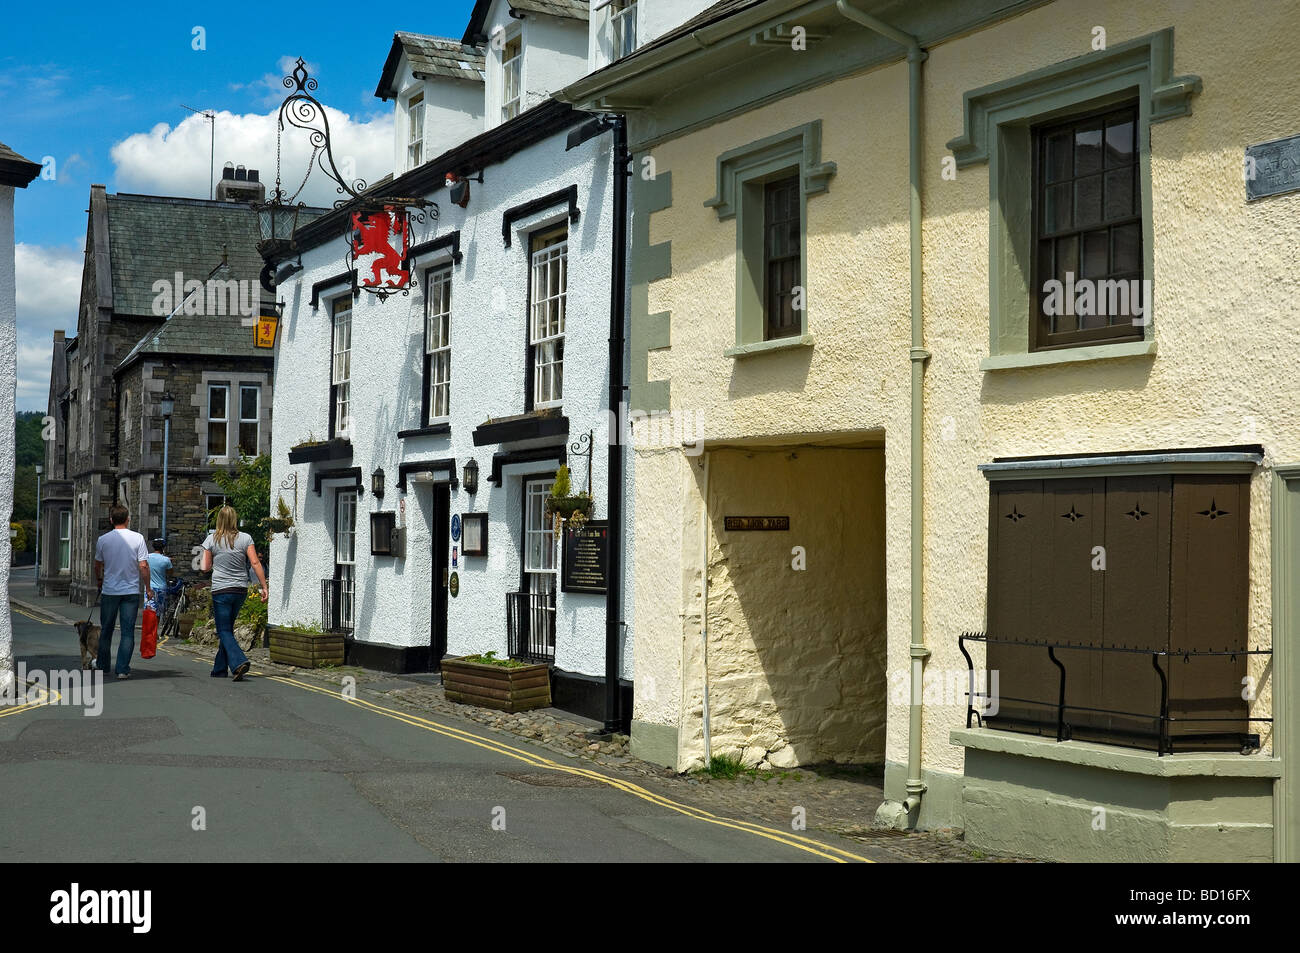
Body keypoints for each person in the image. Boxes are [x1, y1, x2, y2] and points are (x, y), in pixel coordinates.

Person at [201, 505, 268, 681]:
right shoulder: (246, 538)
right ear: (235, 519)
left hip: (221, 589)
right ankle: (219, 669)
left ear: (219, 520)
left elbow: (205, 567)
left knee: (223, 630)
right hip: (240, 589)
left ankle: (239, 661)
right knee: (227, 629)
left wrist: (210, 560)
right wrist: (264, 586)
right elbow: (254, 562)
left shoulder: (211, 539)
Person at [94, 505, 153, 678]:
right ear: (128, 519)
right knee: (127, 631)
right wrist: (148, 588)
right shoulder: (138, 538)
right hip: (131, 591)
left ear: (111, 520)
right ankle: (122, 669)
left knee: (106, 629)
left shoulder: (103, 540)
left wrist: (99, 580)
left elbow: (98, 564)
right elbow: (143, 566)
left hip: (110, 590)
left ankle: (103, 666)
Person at [146, 538, 174, 619]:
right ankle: (155, 630)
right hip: (161, 587)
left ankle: (149, 631)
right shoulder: (166, 560)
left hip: (150, 587)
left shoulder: (147, 557)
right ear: (163, 548)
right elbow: (170, 573)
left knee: (149, 610)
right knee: (158, 613)